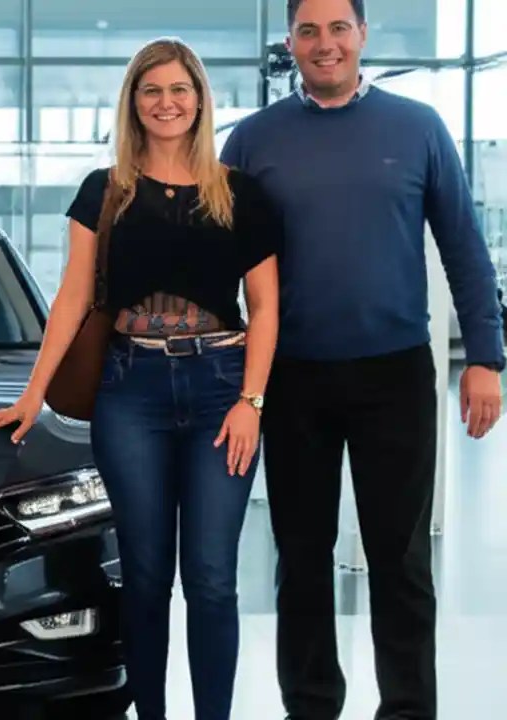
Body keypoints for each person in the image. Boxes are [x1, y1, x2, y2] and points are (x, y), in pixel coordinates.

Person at [0, 38, 281, 720]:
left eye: (179, 90)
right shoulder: (105, 190)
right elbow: (72, 298)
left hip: (219, 390)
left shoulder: (239, 194)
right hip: (130, 391)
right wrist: (33, 395)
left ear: (200, 98)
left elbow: (265, 309)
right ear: (134, 104)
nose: (166, 103)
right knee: (144, 579)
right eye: (152, 91)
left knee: (210, 579)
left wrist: (251, 402)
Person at [220, 1, 506, 718]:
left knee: (401, 562)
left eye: (338, 28)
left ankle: (409, 709)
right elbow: (214, 259)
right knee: (302, 559)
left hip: (397, 374)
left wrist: (485, 357)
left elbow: (465, 248)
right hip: (292, 381)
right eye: (309, 31)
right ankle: (311, 705)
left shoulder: (419, 129)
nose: (325, 44)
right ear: (290, 42)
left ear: (362, 36)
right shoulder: (252, 142)